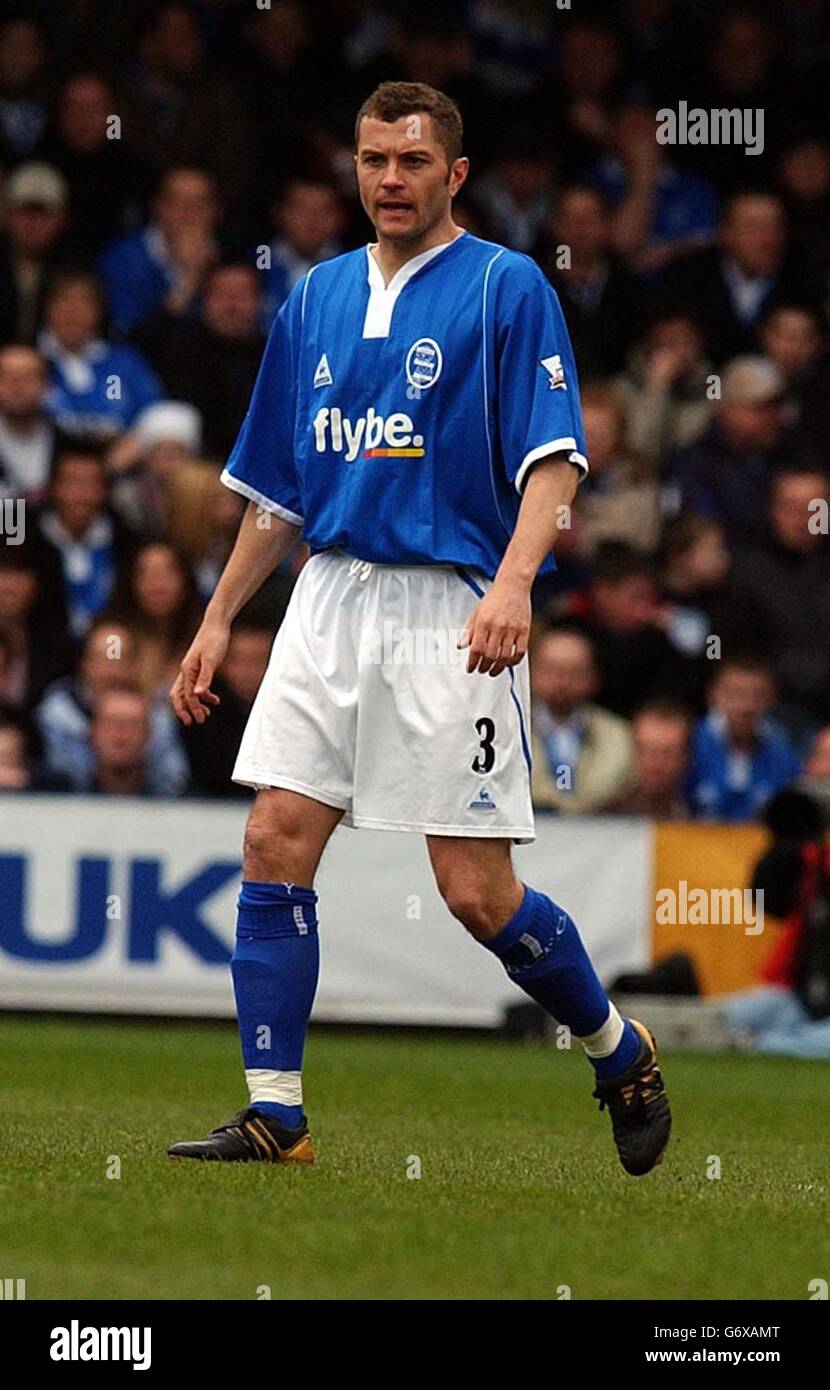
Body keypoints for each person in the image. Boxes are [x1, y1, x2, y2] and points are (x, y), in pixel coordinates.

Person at [167, 82, 671, 1175]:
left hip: (452, 605)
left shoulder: (506, 285)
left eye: (409, 160)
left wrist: (515, 585)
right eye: (369, 159)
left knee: (473, 893)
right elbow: (275, 489)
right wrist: (214, 619)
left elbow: (551, 459)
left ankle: (614, 1045)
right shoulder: (311, 299)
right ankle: (275, 1113)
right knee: (271, 842)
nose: (387, 178)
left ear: (453, 173)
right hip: (329, 595)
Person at [530, 625, 633, 814]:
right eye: (551, 670)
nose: (561, 681)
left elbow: (618, 787)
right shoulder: (507, 730)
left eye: (574, 672)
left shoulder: (619, 734)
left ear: (594, 677)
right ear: (531, 672)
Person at [686, 656, 801, 822]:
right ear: (714, 694)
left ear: (772, 698)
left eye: (758, 695)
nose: (747, 705)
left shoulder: (784, 756)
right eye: (735, 693)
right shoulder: (689, 743)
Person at [607, 700, 692, 819]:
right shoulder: (603, 820)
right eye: (645, 751)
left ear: (686, 757)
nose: (655, 765)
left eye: (668, 754)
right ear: (632, 752)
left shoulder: (706, 820)